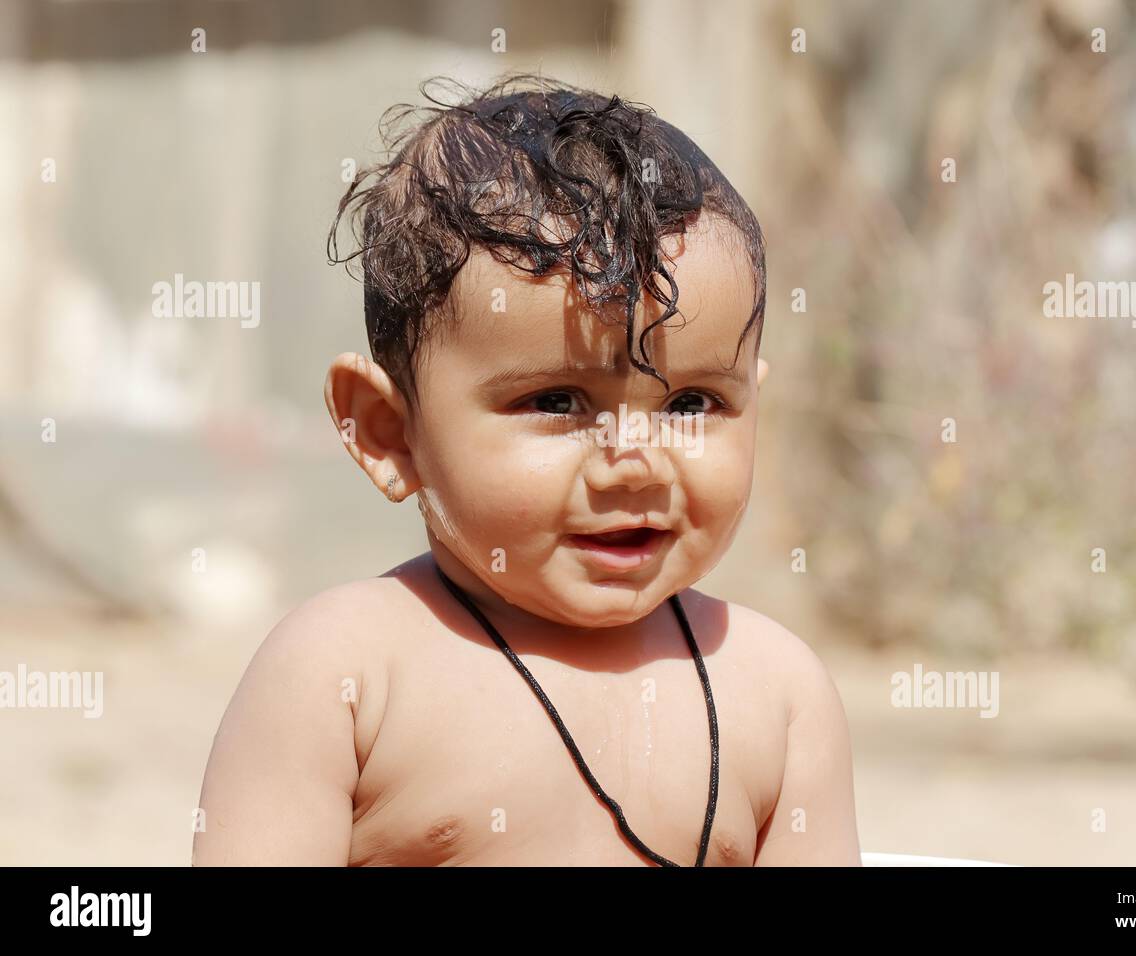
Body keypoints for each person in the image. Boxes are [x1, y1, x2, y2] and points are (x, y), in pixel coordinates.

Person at [192, 73, 861, 866]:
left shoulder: (776, 696)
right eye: (557, 400)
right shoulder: (345, 679)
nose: (634, 464)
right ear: (388, 433)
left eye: (692, 404)